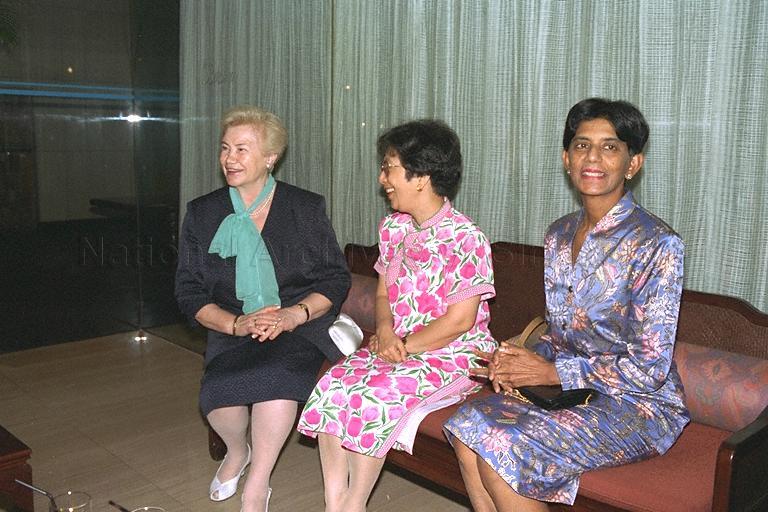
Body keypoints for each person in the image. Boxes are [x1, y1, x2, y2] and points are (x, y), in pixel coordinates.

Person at [444, 98, 690, 511]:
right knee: (468, 427)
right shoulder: (559, 234)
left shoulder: (657, 244)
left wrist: (548, 371)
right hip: (573, 391)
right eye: (581, 145)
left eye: (610, 147)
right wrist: (516, 360)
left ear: (633, 164)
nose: (593, 157)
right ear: (566, 158)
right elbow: (564, 336)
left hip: (640, 405)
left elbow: (650, 367)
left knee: (504, 447)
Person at [297, 120, 497, 512]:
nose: (382, 178)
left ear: (421, 176)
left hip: (452, 353)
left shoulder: (466, 239)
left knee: (372, 397)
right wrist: (386, 330)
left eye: (389, 167)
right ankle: (333, 503)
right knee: (335, 385)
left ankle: (353, 504)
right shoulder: (394, 229)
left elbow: (459, 321)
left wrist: (402, 345)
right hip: (397, 341)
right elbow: (384, 290)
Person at [175, 105, 350, 512]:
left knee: (276, 382)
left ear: (270, 157)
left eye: (242, 149)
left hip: (297, 325)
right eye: (225, 149)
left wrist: (293, 315)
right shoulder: (203, 213)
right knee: (219, 400)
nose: (229, 159)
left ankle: (258, 482)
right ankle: (238, 452)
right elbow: (188, 290)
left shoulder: (304, 208)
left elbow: (334, 279)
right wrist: (235, 324)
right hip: (232, 325)